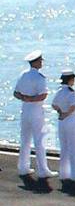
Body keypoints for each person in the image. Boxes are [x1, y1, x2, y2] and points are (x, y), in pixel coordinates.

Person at [13, 50, 53, 179]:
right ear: (35, 62)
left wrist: (25, 98)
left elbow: (16, 93)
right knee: (39, 140)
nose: (41, 62)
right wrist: (31, 99)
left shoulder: (23, 75)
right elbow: (43, 95)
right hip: (36, 110)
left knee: (25, 139)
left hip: (25, 109)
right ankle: (43, 169)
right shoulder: (39, 77)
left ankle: (23, 167)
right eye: (40, 60)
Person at [50, 68, 75, 183]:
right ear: (70, 80)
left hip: (62, 122)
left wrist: (60, 112)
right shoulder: (71, 92)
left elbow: (54, 104)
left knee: (64, 148)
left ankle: (64, 173)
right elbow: (73, 105)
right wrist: (66, 114)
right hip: (72, 120)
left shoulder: (59, 91)